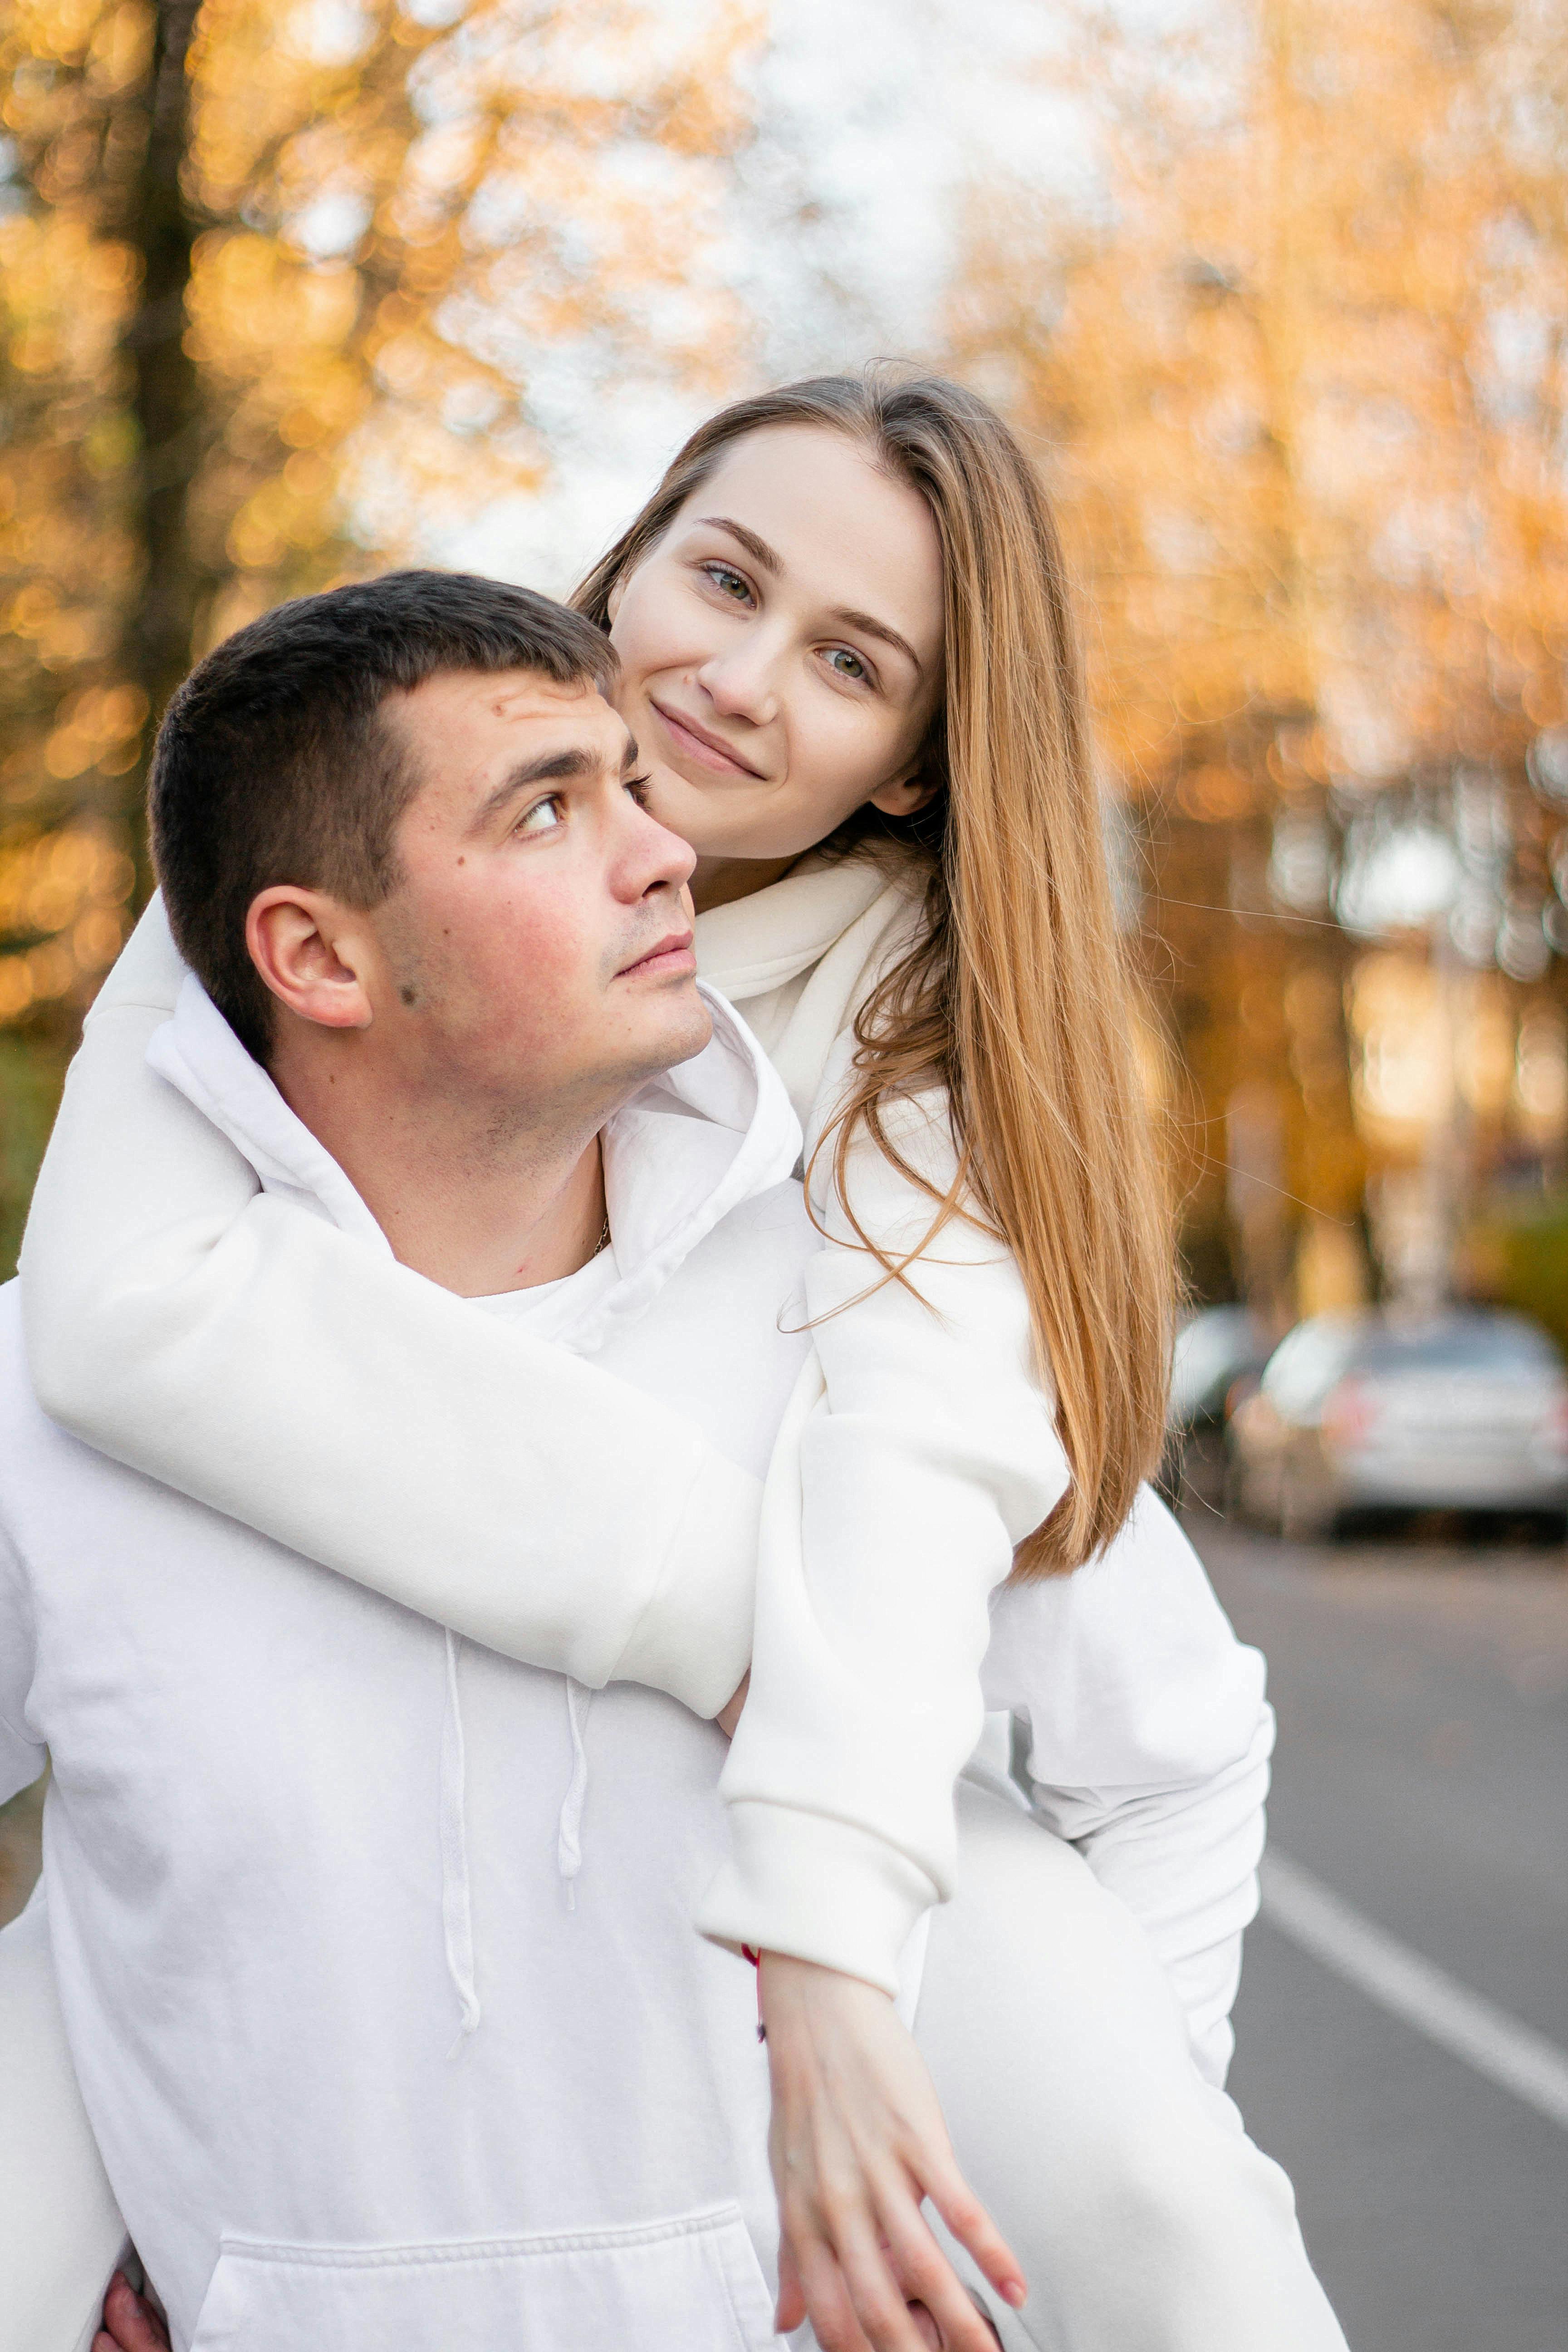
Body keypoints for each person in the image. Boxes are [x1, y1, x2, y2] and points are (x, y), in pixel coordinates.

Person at [11, 384, 1348, 2349]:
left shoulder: (906, 1088)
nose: (732, 680)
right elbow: (119, 1311)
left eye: (848, 662)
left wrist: (953, 2107)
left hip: (851, 1843)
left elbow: (940, 1525)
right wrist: (744, 1621)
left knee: (1157, 2190)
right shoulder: (336, 806)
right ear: (627, 561)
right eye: (720, 578)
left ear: (911, 766)